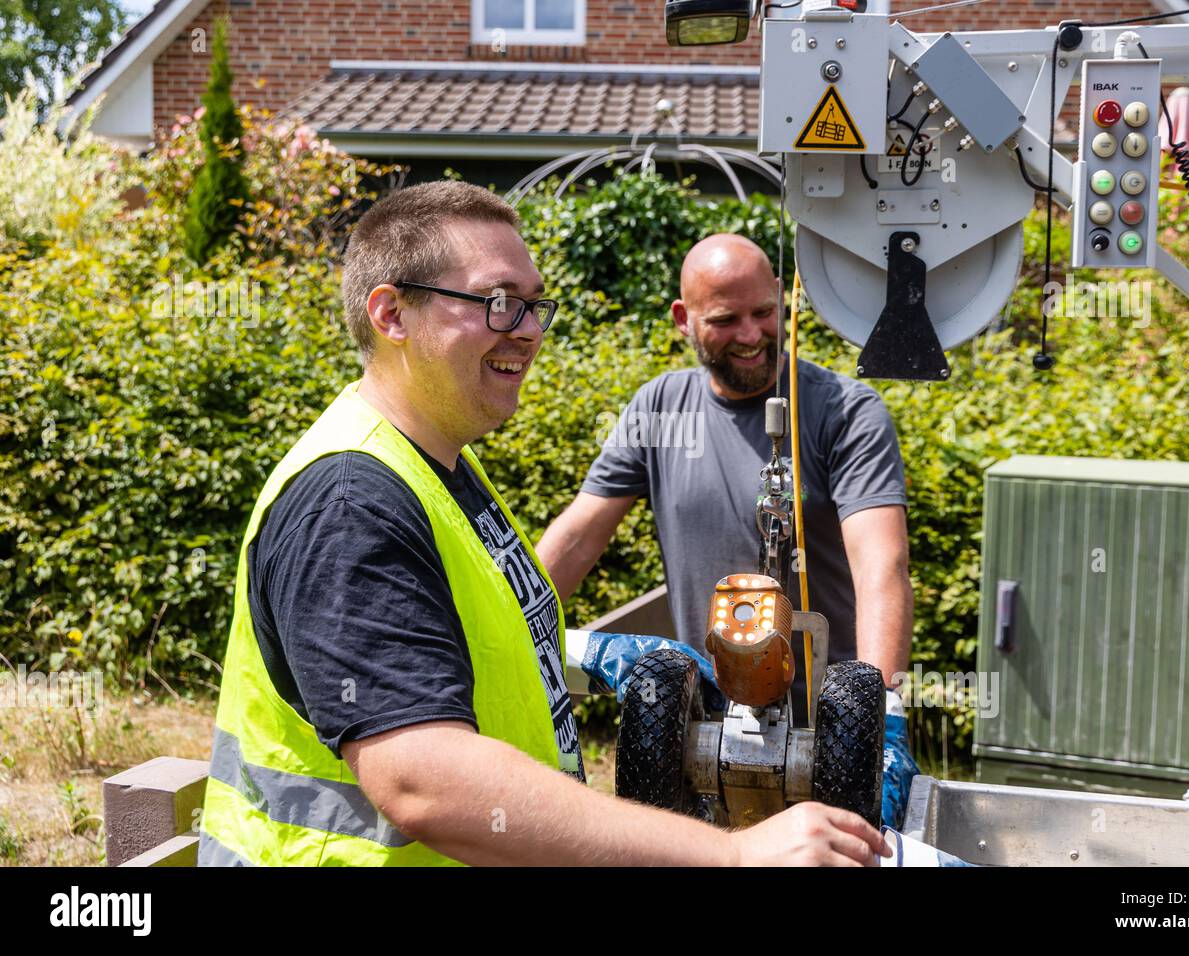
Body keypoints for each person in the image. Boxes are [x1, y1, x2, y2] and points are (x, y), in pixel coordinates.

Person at [196, 182, 891, 866]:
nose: (528, 331)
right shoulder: (351, 505)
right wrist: (730, 855)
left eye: (534, 307)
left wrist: (877, 704)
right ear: (392, 315)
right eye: (499, 303)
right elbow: (422, 782)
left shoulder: (443, 469)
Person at [537, 234, 919, 826]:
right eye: (725, 319)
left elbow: (881, 565)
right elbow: (579, 536)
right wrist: (508, 627)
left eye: (764, 313)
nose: (749, 335)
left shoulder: (845, 411)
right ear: (683, 320)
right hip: (705, 735)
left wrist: (879, 714)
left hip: (833, 741)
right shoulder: (660, 408)